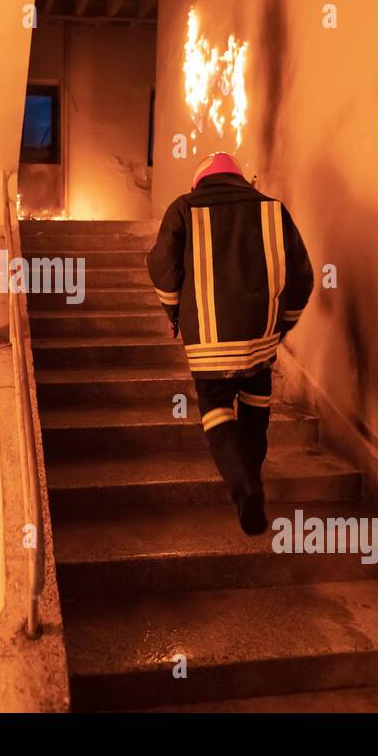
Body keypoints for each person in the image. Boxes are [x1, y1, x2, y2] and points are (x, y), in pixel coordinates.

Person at [147, 152, 313, 536]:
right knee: (255, 414)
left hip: (209, 342)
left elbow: (164, 269)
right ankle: (251, 480)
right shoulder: (275, 210)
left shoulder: (183, 208)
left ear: (199, 182)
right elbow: (302, 277)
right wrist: (280, 328)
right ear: (241, 180)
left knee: (218, 412)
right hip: (261, 341)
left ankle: (245, 488)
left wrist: (174, 315)